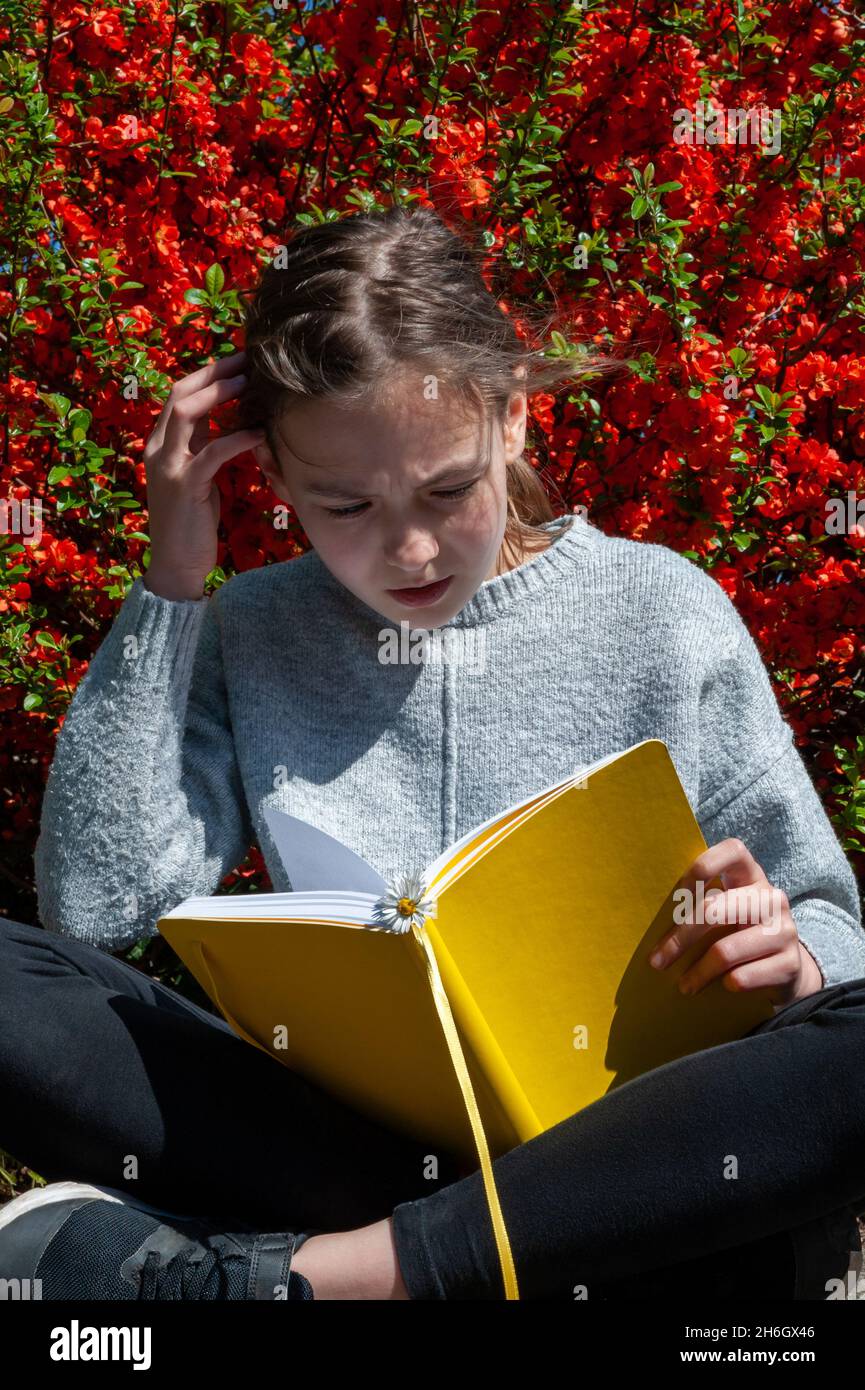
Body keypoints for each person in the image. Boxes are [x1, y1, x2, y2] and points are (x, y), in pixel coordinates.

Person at [1, 205, 864, 1301]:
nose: (407, 548)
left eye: (447, 490)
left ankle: (332, 1280)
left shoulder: (661, 611)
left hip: (631, 1181)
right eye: (345, 504)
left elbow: (831, 927)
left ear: (510, 420)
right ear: (267, 475)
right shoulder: (256, 628)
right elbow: (96, 900)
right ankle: (388, 1262)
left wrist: (792, 958)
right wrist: (173, 576)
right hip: (345, 1157)